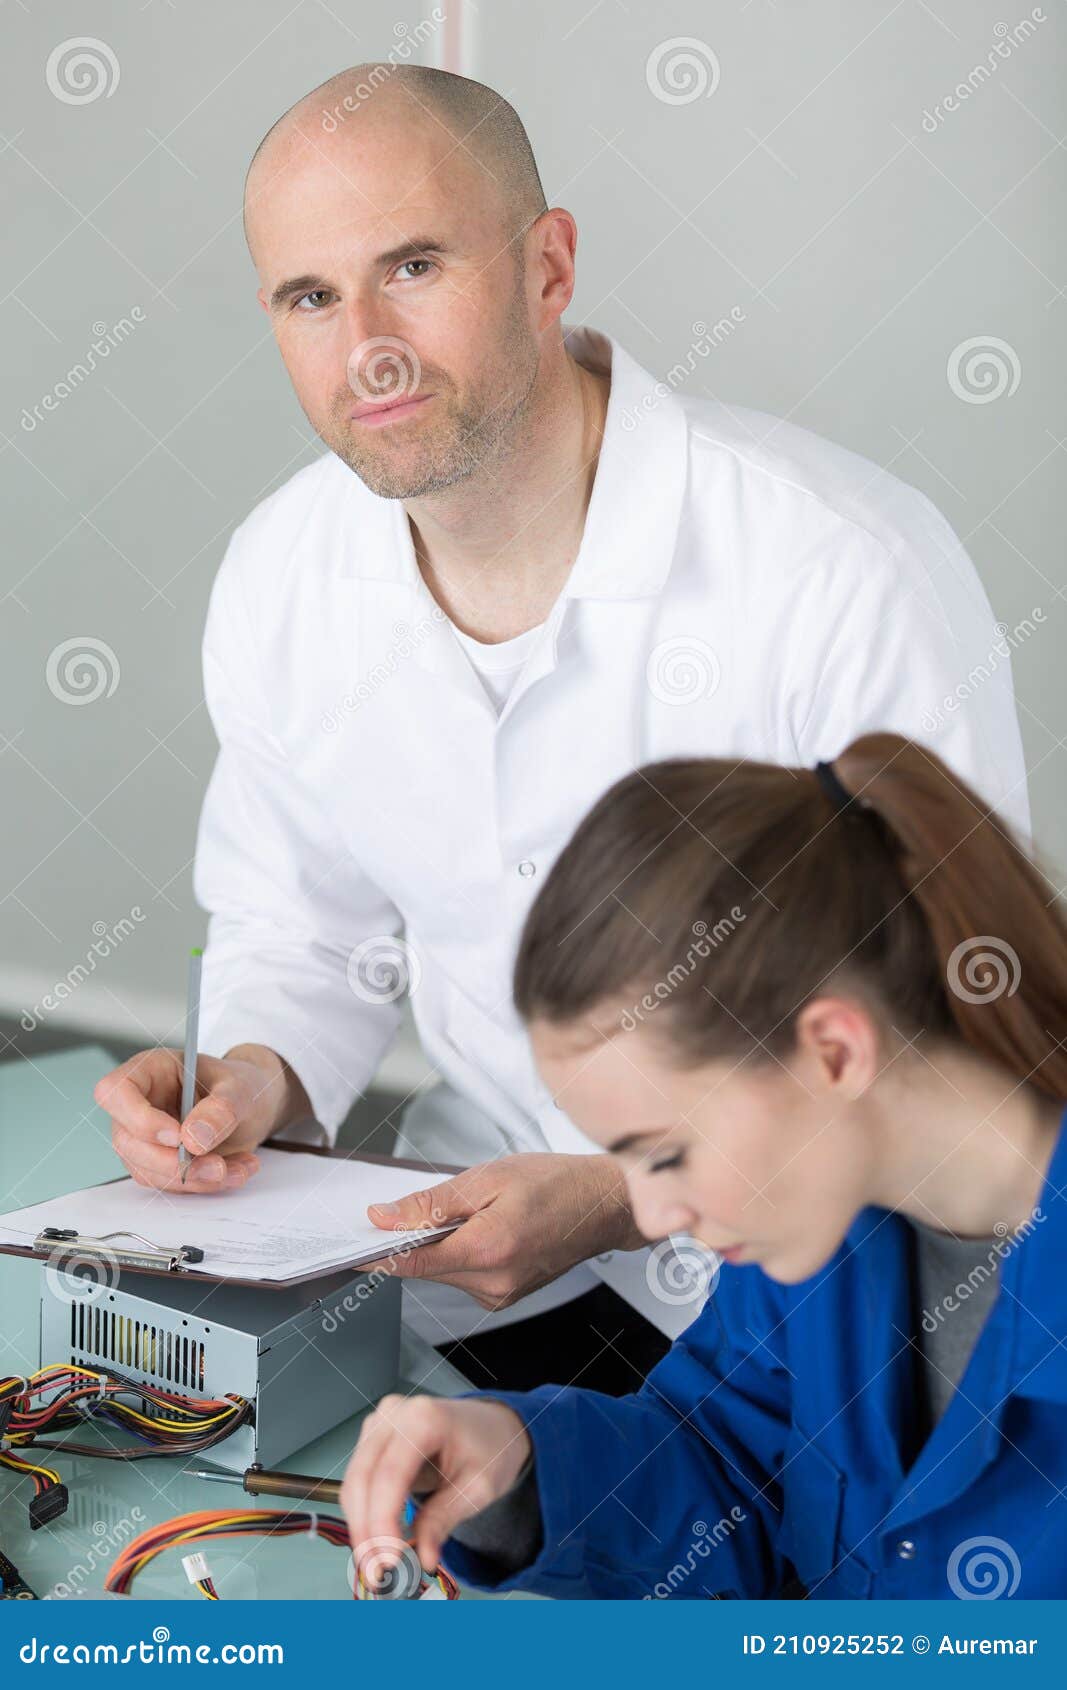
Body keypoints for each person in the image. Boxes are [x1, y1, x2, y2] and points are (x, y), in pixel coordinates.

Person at [93, 61, 1030, 1391]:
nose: (364, 341)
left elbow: (940, 1017)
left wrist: (613, 1186)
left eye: (412, 266)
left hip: (799, 1287)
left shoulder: (834, 569)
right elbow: (303, 929)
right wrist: (246, 1079)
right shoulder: (279, 575)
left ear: (546, 265)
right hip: (462, 1261)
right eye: (309, 295)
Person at [339, 734, 1067, 1600]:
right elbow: (731, 1469)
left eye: (668, 1152)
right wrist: (519, 1473)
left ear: (833, 1053)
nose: (647, 1215)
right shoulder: (823, 1221)